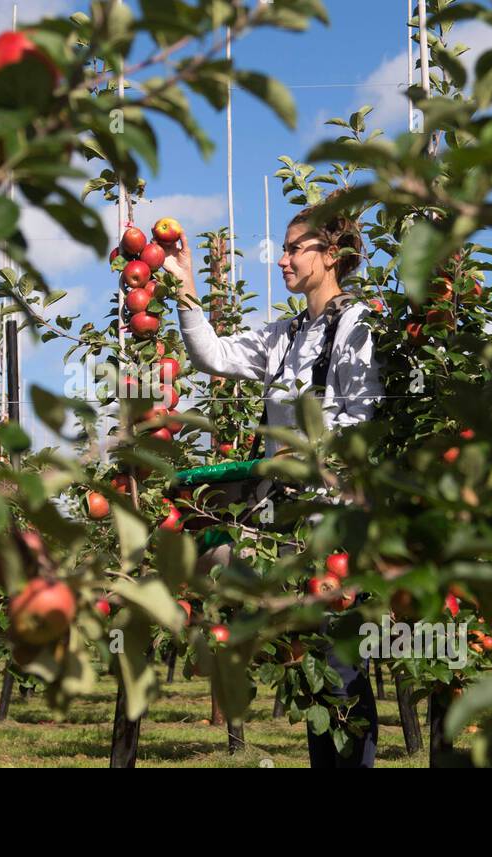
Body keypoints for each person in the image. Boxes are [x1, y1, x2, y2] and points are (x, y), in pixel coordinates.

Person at [161, 199, 385, 767]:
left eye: (293, 248)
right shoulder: (284, 335)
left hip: (334, 525)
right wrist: (186, 286)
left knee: (339, 668)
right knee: (310, 667)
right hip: (286, 528)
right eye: (283, 248)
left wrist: (297, 453)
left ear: (330, 255)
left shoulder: (357, 327)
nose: (281, 259)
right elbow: (211, 355)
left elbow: (359, 421)